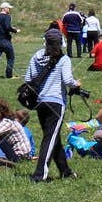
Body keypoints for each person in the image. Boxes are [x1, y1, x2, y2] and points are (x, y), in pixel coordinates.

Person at [26, 27, 81, 182]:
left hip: (40, 101)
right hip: (56, 102)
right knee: (49, 139)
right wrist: (76, 84)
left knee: (53, 138)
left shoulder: (35, 57)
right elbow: (67, 80)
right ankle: (39, 175)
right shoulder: (63, 59)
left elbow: (28, 78)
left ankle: (66, 171)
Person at [0, 1, 17, 79]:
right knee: (11, 57)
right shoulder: (7, 17)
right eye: (8, 8)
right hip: (5, 40)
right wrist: (15, 30)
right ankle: (9, 75)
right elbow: (8, 27)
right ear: (4, 8)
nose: (9, 9)